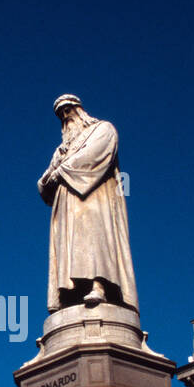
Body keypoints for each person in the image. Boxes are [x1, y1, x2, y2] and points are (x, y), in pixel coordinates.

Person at [37, 95, 139, 313]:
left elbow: (95, 155)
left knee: (94, 236)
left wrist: (62, 171)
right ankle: (73, 293)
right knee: (70, 246)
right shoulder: (61, 149)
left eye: (68, 110)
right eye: (61, 114)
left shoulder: (103, 129)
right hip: (66, 205)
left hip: (94, 197)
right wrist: (48, 178)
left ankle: (99, 286)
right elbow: (45, 179)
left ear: (79, 109)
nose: (65, 117)